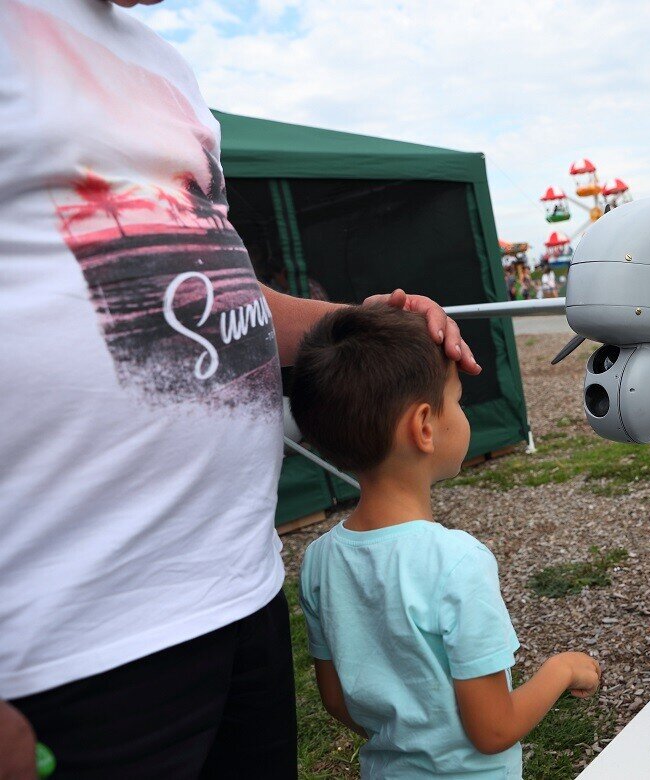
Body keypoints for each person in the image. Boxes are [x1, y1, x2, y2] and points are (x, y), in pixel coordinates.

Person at [0, 2, 479, 776]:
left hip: (234, 584)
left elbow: (218, 282)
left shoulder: (164, 63)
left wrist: (358, 322)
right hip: (64, 639)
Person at [289, 307, 601, 778]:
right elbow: (493, 730)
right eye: (456, 400)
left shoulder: (318, 561)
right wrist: (563, 669)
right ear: (424, 427)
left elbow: (336, 700)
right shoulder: (457, 562)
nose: (462, 411)